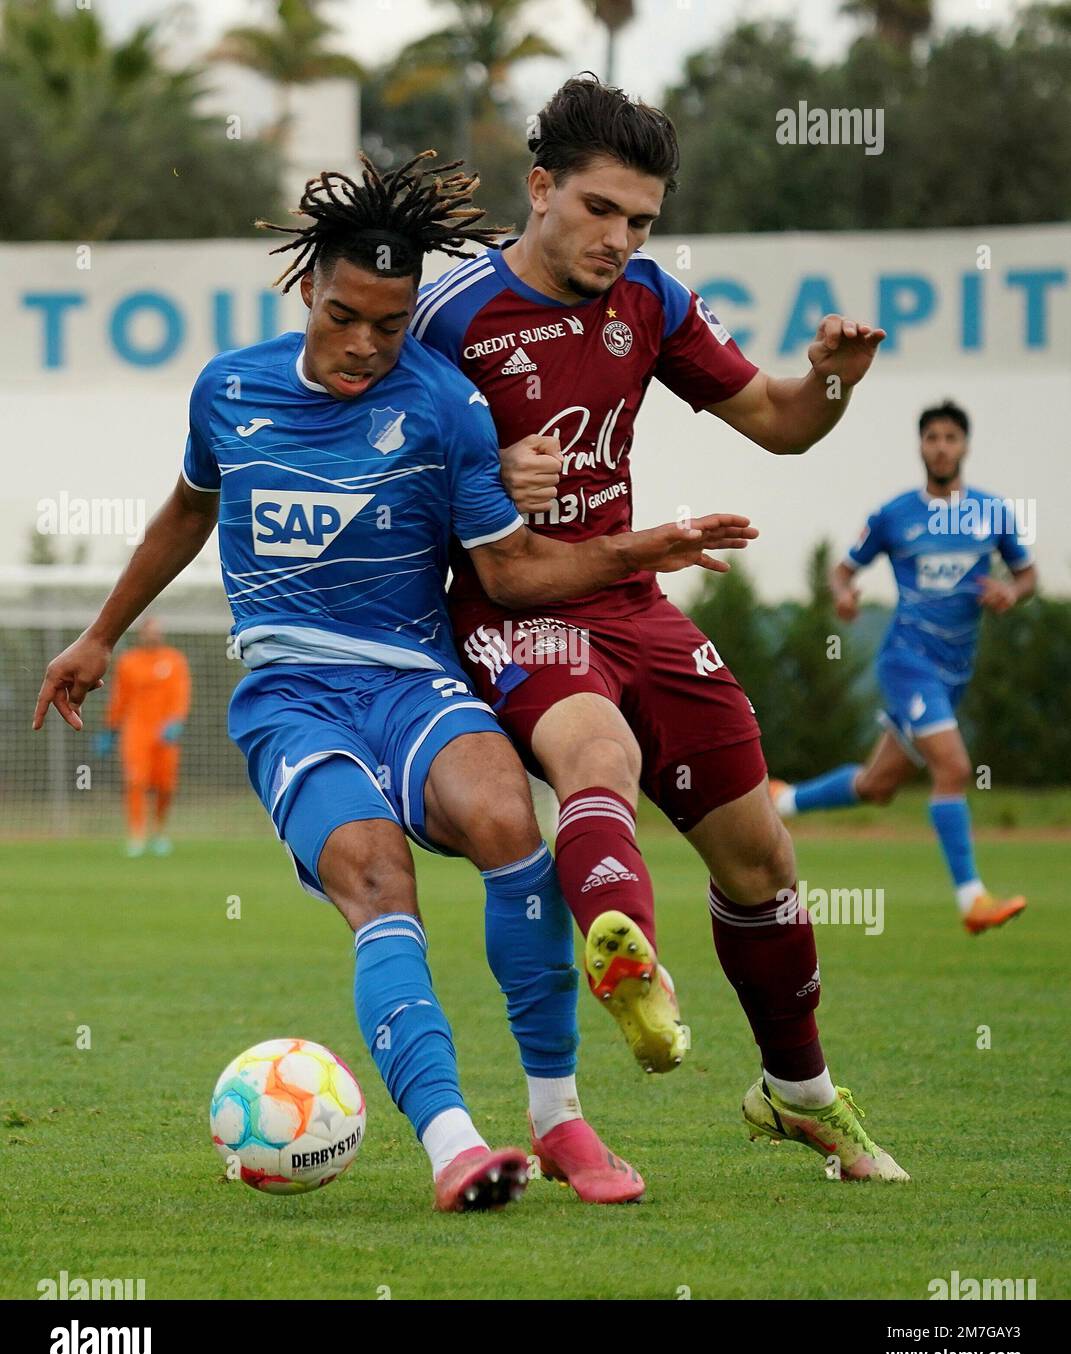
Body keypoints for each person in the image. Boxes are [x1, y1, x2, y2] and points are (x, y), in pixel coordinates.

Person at [33, 151, 753, 1211]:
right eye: (344, 315)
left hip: (417, 682)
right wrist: (101, 632)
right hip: (292, 696)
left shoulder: (447, 405)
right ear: (306, 290)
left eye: (390, 320)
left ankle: (558, 1119)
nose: (366, 343)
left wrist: (640, 547)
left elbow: (509, 569)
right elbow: (188, 509)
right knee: (376, 878)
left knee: (512, 822)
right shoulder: (227, 389)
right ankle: (456, 1143)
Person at [414, 76, 907, 1180]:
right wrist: (483, 474)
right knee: (600, 753)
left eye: (641, 219)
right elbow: (386, 466)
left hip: (635, 597)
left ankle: (798, 1095)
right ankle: (631, 964)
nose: (620, 237)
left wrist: (829, 383)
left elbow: (781, 423)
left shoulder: (650, 301)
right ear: (539, 188)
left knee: (760, 855)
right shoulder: (451, 320)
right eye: (599, 209)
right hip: (517, 604)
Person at [770, 399, 1036, 935]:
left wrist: (1012, 592)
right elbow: (841, 573)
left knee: (878, 785)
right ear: (921, 446)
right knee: (955, 769)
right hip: (908, 663)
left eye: (950, 438)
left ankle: (782, 801)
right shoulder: (894, 515)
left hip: (955, 672)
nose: (941, 447)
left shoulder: (992, 512)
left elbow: (1027, 576)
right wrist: (844, 597)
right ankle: (972, 900)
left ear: (965, 446)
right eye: (932, 437)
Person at [97, 616, 189, 857]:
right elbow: (120, 698)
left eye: (158, 631)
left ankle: (159, 832)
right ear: (141, 634)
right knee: (136, 782)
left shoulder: (174, 660)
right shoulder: (128, 662)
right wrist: (110, 728)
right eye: (150, 631)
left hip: (166, 733)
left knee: (165, 785)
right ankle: (137, 835)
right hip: (136, 731)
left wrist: (176, 721)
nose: (154, 635)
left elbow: (181, 694)